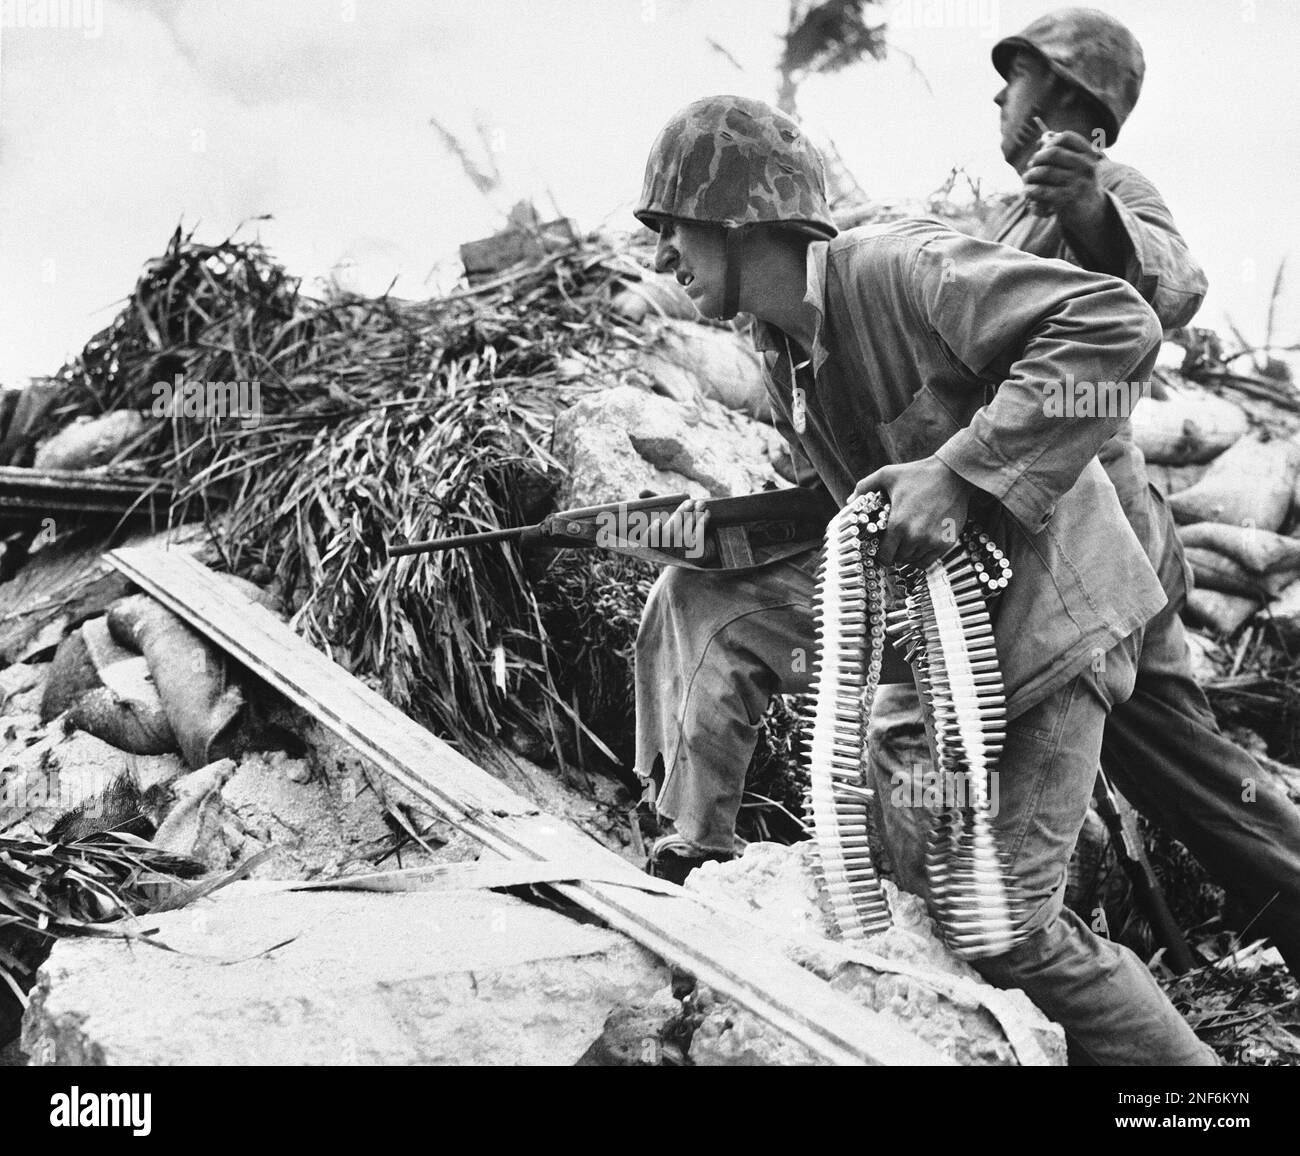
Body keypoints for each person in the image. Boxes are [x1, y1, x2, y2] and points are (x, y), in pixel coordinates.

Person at [631, 92, 1216, 1064]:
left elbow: (1115, 333)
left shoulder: (900, 265)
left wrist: (960, 472)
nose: (661, 260)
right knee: (919, 901)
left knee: (1005, 923)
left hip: (1055, 627)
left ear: (738, 220)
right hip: (943, 665)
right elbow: (877, 499)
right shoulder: (788, 353)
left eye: (672, 230)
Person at [867, 7, 1300, 980]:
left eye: (1012, 76)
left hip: (1107, 540)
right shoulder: (1008, 212)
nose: (995, 95)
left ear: (1066, 98)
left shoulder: (1104, 185)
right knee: (1169, 771)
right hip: (1038, 538)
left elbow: (1171, 291)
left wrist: (1095, 213)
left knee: (1191, 773)